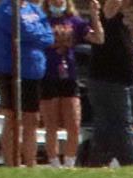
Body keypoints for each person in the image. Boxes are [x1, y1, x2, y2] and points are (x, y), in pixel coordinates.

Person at [0, 0, 52, 167]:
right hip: (8, 69)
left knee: (31, 119)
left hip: (33, 70)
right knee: (12, 117)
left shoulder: (34, 9)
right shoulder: (5, 9)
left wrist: (36, 34)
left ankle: (30, 164)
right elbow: (23, 32)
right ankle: (11, 163)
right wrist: (37, 34)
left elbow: (49, 36)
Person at [82, 0, 133, 167]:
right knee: (121, 123)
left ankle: (97, 161)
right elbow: (113, 3)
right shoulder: (107, 16)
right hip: (109, 80)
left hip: (118, 81)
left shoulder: (121, 20)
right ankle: (131, 161)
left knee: (105, 127)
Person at [38, 0, 92, 166]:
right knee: (51, 125)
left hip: (69, 76)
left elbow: (94, 36)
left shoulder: (74, 20)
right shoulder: (42, 20)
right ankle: (54, 162)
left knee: (74, 123)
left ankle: (70, 161)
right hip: (48, 75)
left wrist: (96, 16)